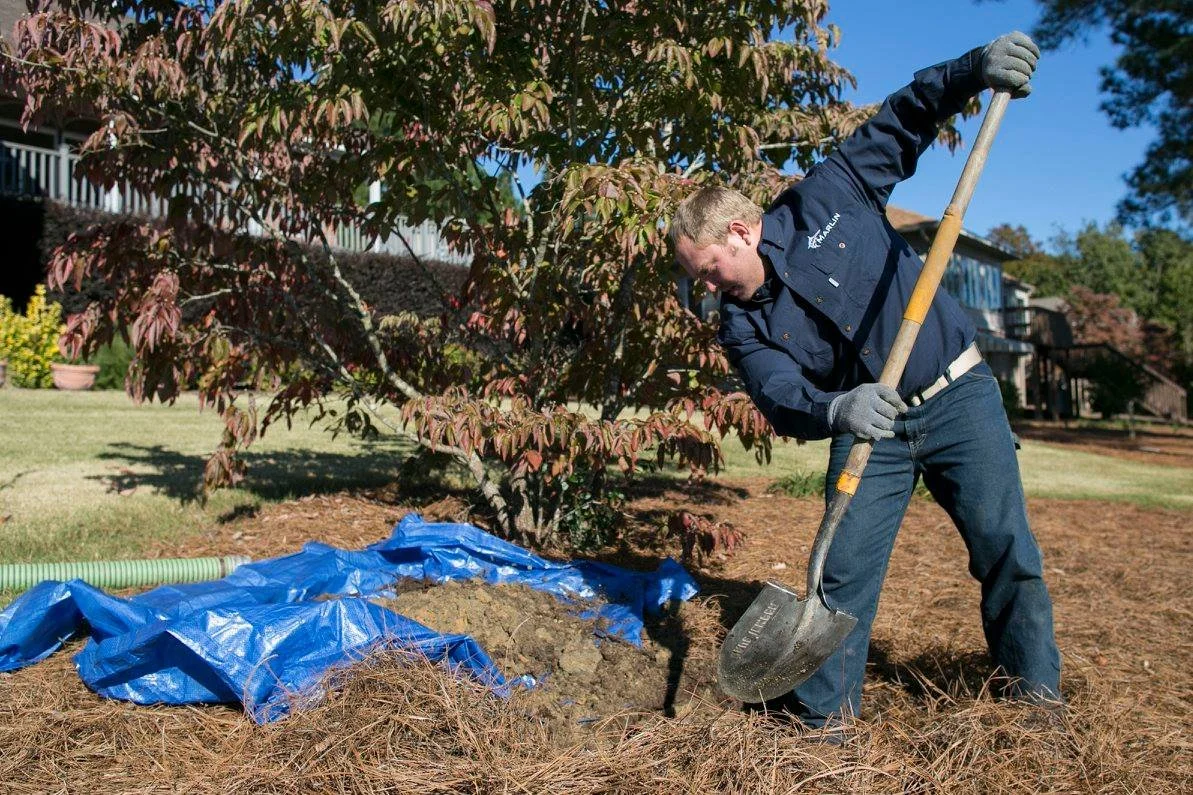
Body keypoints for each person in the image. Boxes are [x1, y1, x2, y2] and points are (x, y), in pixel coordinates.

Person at [669, 32, 1061, 728]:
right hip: (866, 430)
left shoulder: (830, 195)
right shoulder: (738, 322)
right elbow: (778, 395)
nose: (705, 285)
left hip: (955, 396)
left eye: (706, 268)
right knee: (839, 573)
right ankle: (824, 724)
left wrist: (972, 69)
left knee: (1005, 549)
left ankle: (1034, 699)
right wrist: (838, 405)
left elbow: (904, 117)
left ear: (739, 231)